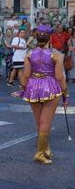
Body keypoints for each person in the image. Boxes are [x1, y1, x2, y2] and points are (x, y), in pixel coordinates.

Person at [13, 25, 69, 164]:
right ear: (50, 37)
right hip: (50, 87)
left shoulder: (29, 54)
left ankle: (45, 149)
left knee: (39, 122)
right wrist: (65, 94)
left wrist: (22, 90)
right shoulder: (56, 55)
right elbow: (59, 77)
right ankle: (39, 152)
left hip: (33, 87)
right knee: (46, 123)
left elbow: (26, 75)